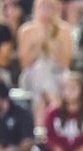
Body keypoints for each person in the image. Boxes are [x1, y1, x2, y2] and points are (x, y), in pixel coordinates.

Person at [17, 0, 73, 130]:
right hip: (31, 75)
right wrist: (38, 42)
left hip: (58, 75)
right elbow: (25, 64)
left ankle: (39, 130)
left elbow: (65, 63)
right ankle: (57, 111)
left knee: (41, 93)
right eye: (42, 6)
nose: (46, 11)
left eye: (49, 7)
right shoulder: (26, 30)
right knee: (40, 68)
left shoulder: (64, 30)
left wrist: (50, 41)